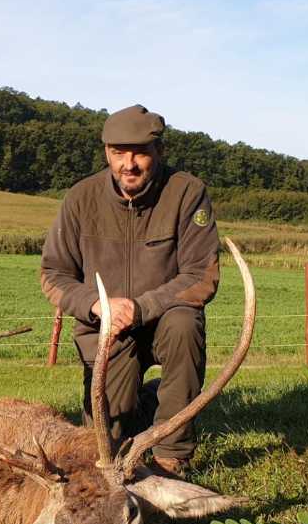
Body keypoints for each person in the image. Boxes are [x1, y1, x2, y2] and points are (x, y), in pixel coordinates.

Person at [40, 104, 220, 473]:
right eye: (117, 152)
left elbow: (201, 274)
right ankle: (149, 403)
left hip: (164, 322)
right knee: (106, 442)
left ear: (160, 151)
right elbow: (54, 275)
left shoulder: (186, 192)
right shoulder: (81, 198)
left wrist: (140, 308)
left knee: (185, 324)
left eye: (139, 153)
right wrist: (95, 306)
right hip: (106, 331)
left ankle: (173, 453)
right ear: (106, 151)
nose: (128, 163)